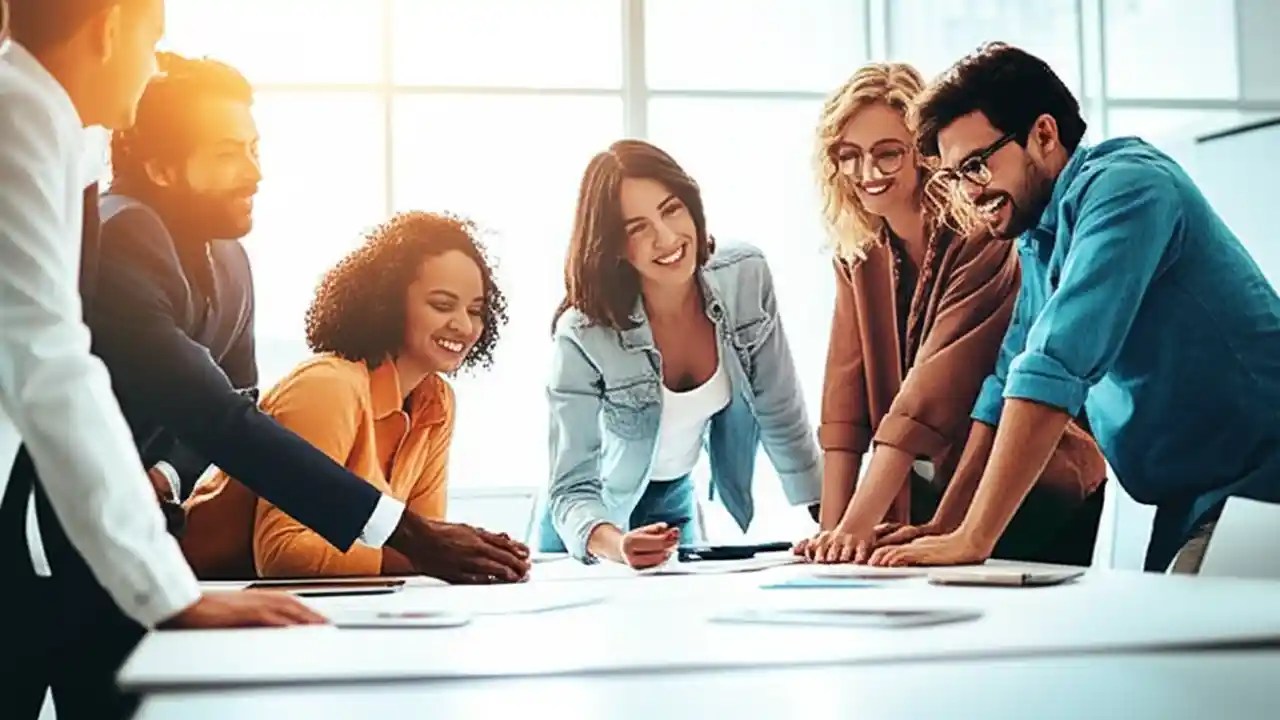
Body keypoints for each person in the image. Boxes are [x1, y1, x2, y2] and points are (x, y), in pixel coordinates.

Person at [89, 51, 529, 585]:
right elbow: (217, 416)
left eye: (253, 149)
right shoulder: (123, 232)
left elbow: (237, 396)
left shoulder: (229, 260)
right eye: (228, 154)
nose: (254, 173)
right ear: (160, 168)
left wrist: (165, 476)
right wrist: (411, 537)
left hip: (144, 543)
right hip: (79, 531)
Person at [0, 3, 323, 719]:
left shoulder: (59, 128)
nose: (153, 69)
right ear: (111, 27)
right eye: (153, 41)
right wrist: (173, 598)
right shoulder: (18, 117)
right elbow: (52, 368)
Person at [871, 42, 1280, 573]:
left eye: (975, 166)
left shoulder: (1129, 189)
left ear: (1044, 134)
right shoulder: (1039, 235)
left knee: (1185, 624)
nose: (968, 193)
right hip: (1195, 500)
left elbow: (1055, 363)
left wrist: (975, 537)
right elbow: (1006, 383)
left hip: (1262, 486)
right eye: (955, 177)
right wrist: (949, 525)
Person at [794, 62, 1105, 566]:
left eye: (887, 153)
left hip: (1028, 490)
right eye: (848, 156)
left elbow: (932, 387)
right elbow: (844, 402)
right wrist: (831, 533)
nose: (866, 173)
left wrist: (856, 524)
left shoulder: (985, 234)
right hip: (934, 503)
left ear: (925, 153)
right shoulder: (857, 251)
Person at [543, 139, 822, 568]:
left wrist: (833, 521)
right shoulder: (583, 333)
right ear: (612, 245)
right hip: (592, 526)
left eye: (671, 209)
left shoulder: (743, 276)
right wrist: (617, 545)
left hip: (673, 503)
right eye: (637, 228)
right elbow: (571, 488)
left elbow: (780, 410)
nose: (667, 238)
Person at [183, 212, 508, 578]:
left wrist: (466, 555)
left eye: (475, 311)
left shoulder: (436, 401)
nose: (464, 325)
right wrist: (428, 557)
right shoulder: (327, 385)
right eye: (442, 305)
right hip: (188, 594)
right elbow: (283, 554)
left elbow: (429, 539)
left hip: (299, 602)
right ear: (388, 302)